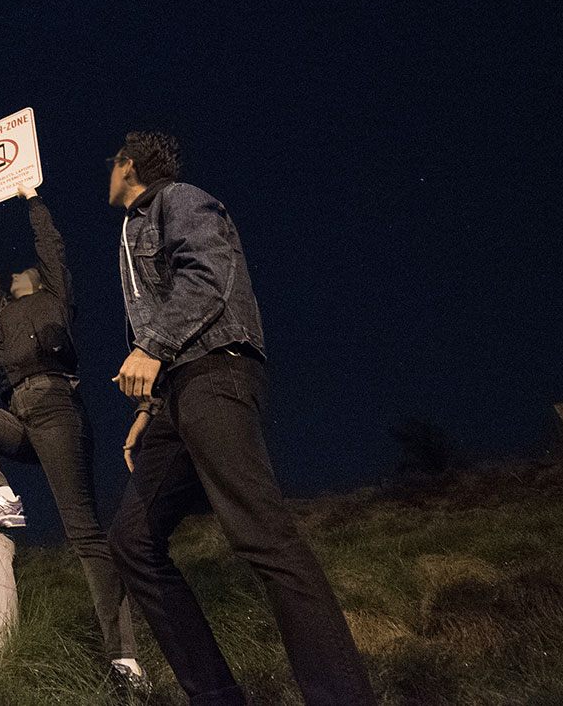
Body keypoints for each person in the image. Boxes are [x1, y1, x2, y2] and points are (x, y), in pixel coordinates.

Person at [105, 130, 376, 706]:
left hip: (216, 372)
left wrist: (150, 346)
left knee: (261, 535)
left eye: (112, 163)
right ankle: (217, 696)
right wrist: (150, 407)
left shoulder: (179, 199)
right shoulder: (131, 229)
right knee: (132, 540)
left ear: (129, 166)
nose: (107, 172)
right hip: (177, 394)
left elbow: (209, 274)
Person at [0, 184, 145, 685]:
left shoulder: (55, 297)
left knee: (84, 532)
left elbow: (52, 249)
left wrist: (32, 199)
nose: (19, 273)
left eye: (27, 272)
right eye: (15, 274)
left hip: (56, 409)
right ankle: (2, 495)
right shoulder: (4, 309)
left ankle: (125, 660)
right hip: (19, 416)